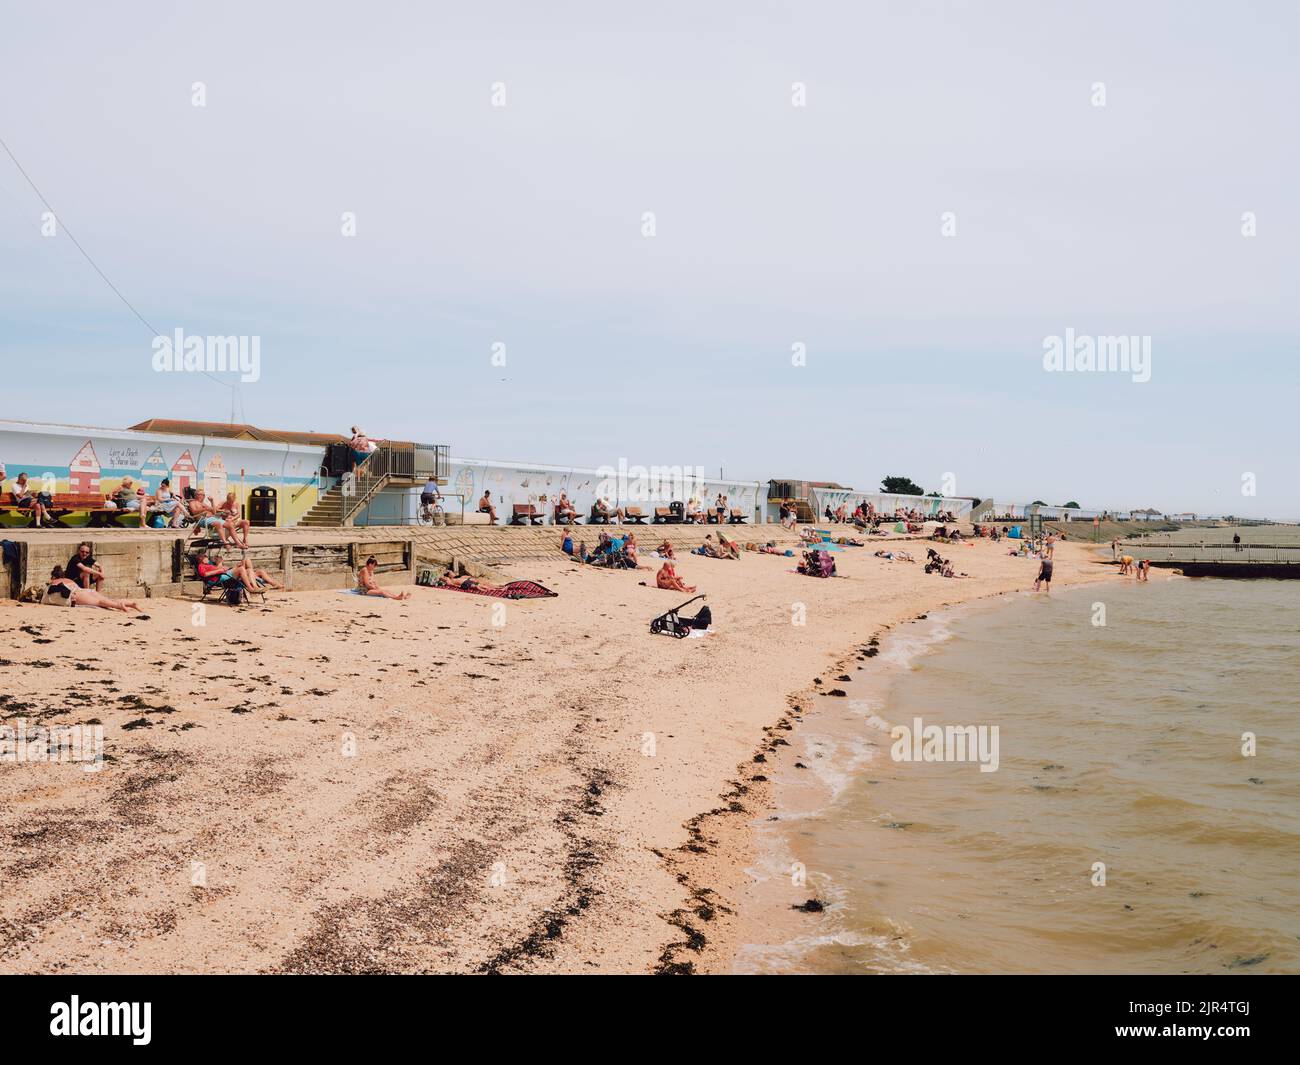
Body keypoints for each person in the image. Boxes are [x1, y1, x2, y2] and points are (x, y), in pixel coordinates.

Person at [43, 566, 140, 612]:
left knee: (99, 602)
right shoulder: (68, 579)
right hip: (86, 590)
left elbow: (49, 596)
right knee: (106, 600)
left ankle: (120, 606)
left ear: (54, 576)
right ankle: (131, 604)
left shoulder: (54, 582)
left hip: (77, 594)